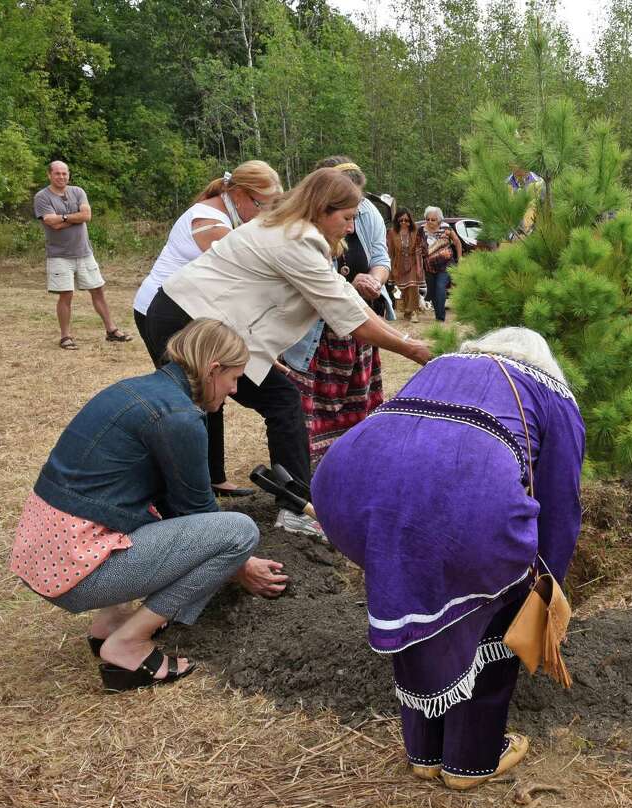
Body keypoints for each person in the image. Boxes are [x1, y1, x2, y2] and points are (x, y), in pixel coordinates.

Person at [312, 327, 585, 790]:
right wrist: (546, 582)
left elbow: (408, 442)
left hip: (346, 490)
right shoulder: (551, 393)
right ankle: (470, 761)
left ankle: (424, 752)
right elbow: (560, 503)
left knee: (414, 588)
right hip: (462, 499)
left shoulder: (440, 367)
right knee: (502, 603)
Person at [143, 168, 433, 537]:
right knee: (187, 412)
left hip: (215, 325)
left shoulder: (296, 231)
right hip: (185, 320)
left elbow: (346, 298)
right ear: (321, 209)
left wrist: (408, 340)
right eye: (345, 219)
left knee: (282, 399)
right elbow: (349, 317)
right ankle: (173, 511)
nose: (349, 228)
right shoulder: (295, 239)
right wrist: (412, 349)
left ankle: (295, 508)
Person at [9, 319, 288, 692]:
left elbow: (165, 505)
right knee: (239, 532)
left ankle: (109, 625)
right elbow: (199, 514)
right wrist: (243, 563)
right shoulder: (178, 418)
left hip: (45, 554)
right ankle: (127, 645)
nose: (234, 390)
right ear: (212, 369)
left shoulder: (135, 390)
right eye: (233, 379)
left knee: (151, 509)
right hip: (75, 571)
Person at [133, 160, 283, 498]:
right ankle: (183, 489)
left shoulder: (228, 215)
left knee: (211, 392)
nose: (264, 213)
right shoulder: (209, 221)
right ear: (240, 194)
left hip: (192, 315)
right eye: (262, 204)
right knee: (187, 397)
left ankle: (212, 477)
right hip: (162, 314)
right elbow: (241, 276)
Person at [283, 157, 394, 468]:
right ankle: (317, 471)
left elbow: (381, 257)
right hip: (320, 333)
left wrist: (375, 278)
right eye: (347, 214)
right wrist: (349, 284)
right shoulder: (304, 235)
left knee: (358, 403)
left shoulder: (367, 212)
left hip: (357, 326)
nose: (351, 224)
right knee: (315, 406)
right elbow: (324, 287)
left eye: (355, 212)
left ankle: (354, 463)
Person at [33, 161, 133, 350]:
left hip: (84, 253)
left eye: (64, 173)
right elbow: (50, 222)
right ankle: (65, 337)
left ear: (68, 175)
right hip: (59, 255)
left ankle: (111, 331)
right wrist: (73, 217)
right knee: (66, 295)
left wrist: (62, 218)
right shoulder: (42, 197)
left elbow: (86, 216)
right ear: (49, 175)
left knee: (98, 290)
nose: (61, 177)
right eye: (57, 173)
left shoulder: (78, 191)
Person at [421, 206, 463, 322]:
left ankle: (440, 317)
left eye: (433, 220)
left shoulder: (445, 228)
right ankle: (438, 315)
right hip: (429, 267)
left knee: (440, 288)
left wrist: (460, 258)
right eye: (428, 219)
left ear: (439, 220)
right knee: (433, 290)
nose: (430, 222)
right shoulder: (421, 230)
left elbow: (457, 242)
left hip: (445, 265)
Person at [387, 208, 427, 322]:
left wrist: (419, 267)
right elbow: (390, 252)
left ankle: (414, 312)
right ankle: (407, 310)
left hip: (413, 261)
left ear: (410, 220)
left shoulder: (416, 231)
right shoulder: (392, 233)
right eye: (401, 220)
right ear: (397, 221)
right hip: (399, 263)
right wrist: (390, 268)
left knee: (413, 286)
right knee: (404, 288)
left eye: (406, 220)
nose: (404, 222)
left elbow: (419, 250)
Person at [507, 165, 544, 238]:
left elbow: (545, 214)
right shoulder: (504, 185)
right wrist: (511, 236)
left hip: (534, 239)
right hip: (509, 240)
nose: (519, 164)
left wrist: (532, 236)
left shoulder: (541, 183)